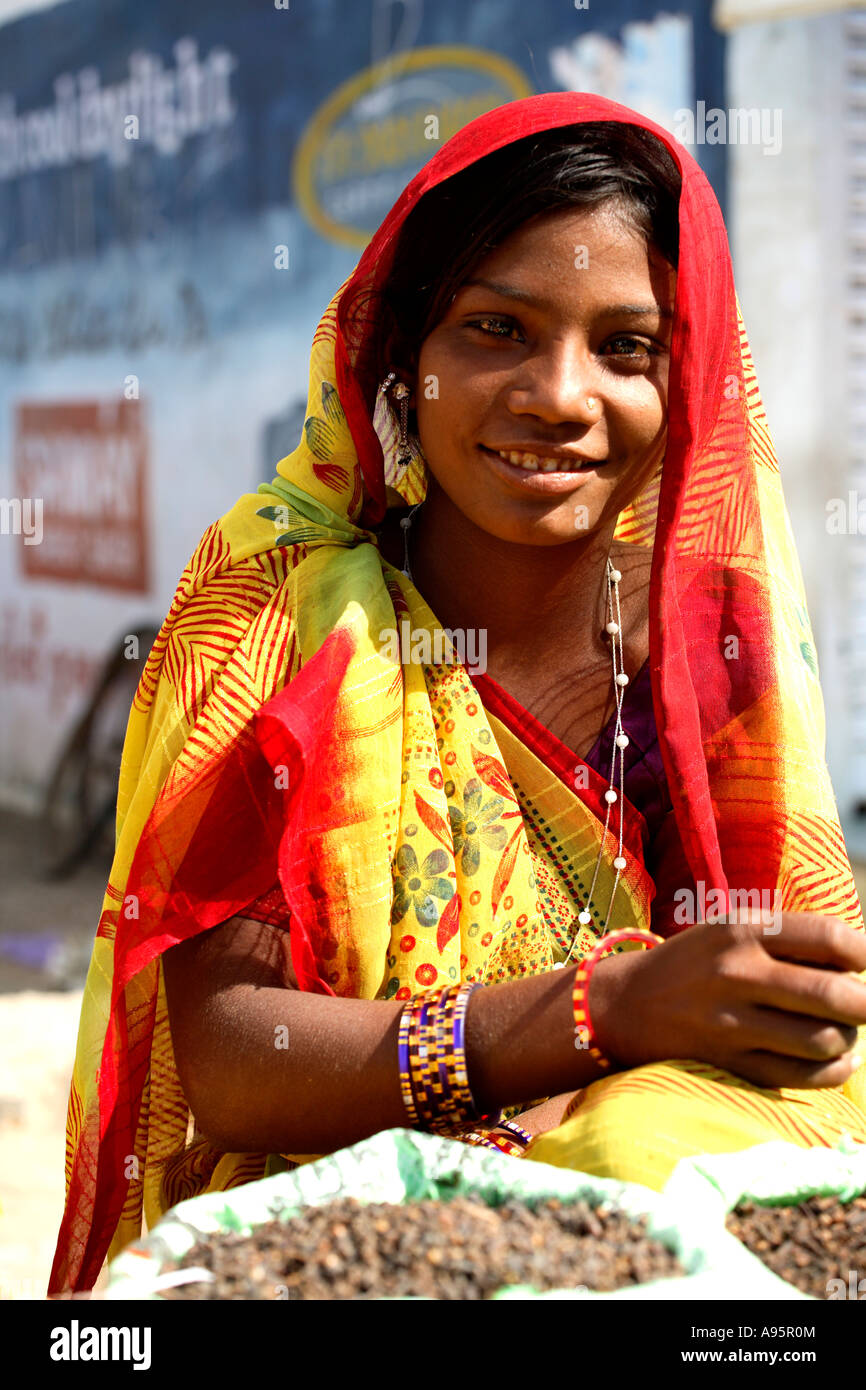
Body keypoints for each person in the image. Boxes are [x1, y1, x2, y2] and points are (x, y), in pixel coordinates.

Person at [49, 91, 866, 1298]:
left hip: (661, 1213)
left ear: (682, 379)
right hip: (339, 1229)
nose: (559, 394)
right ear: (401, 361)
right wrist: (600, 1010)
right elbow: (233, 1053)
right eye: (496, 328)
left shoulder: (710, 647)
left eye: (626, 346)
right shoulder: (286, 613)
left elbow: (780, 1006)